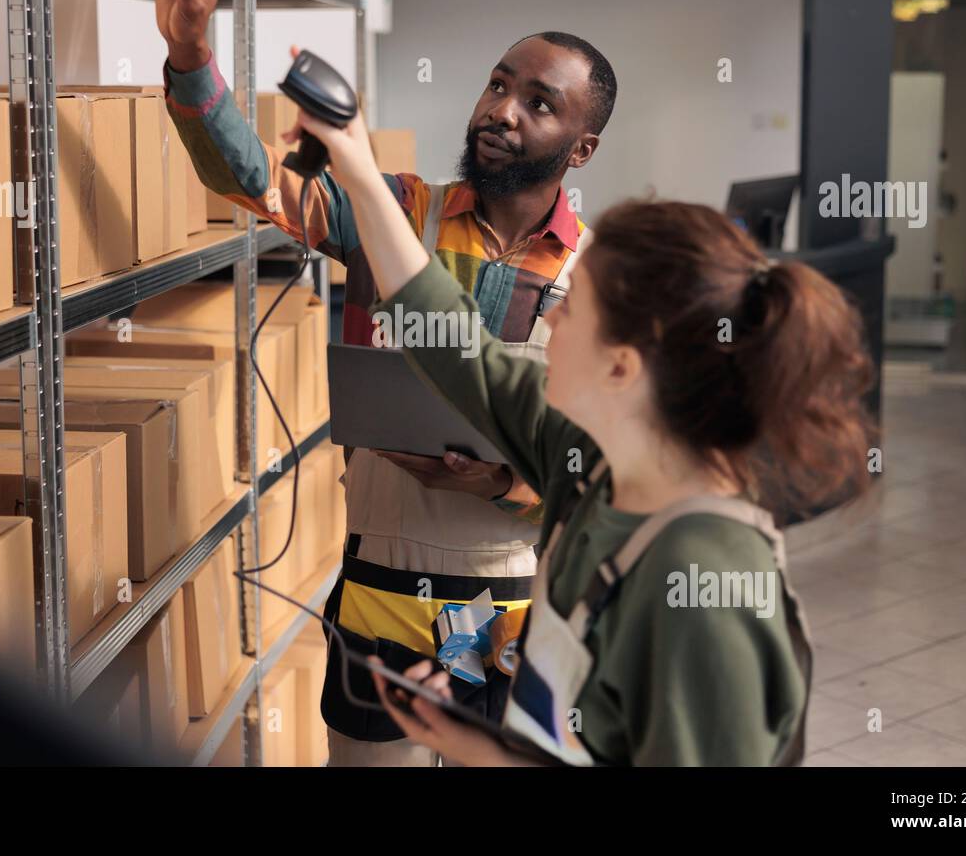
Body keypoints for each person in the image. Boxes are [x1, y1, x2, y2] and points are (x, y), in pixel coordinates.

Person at [142, 0, 618, 765]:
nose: (502, 109)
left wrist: (503, 485)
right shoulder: (396, 210)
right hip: (380, 591)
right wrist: (190, 54)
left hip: (514, 609)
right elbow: (256, 185)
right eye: (500, 82)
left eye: (539, 103)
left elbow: (607, 477)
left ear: (579, 149)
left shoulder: (599, 285)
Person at [283, 101, 877, 765]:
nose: (551, 318)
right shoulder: (588, 459)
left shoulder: (701, 581)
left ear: (622, 367)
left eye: (573, 306)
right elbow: (454, 343)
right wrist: (358, 168)